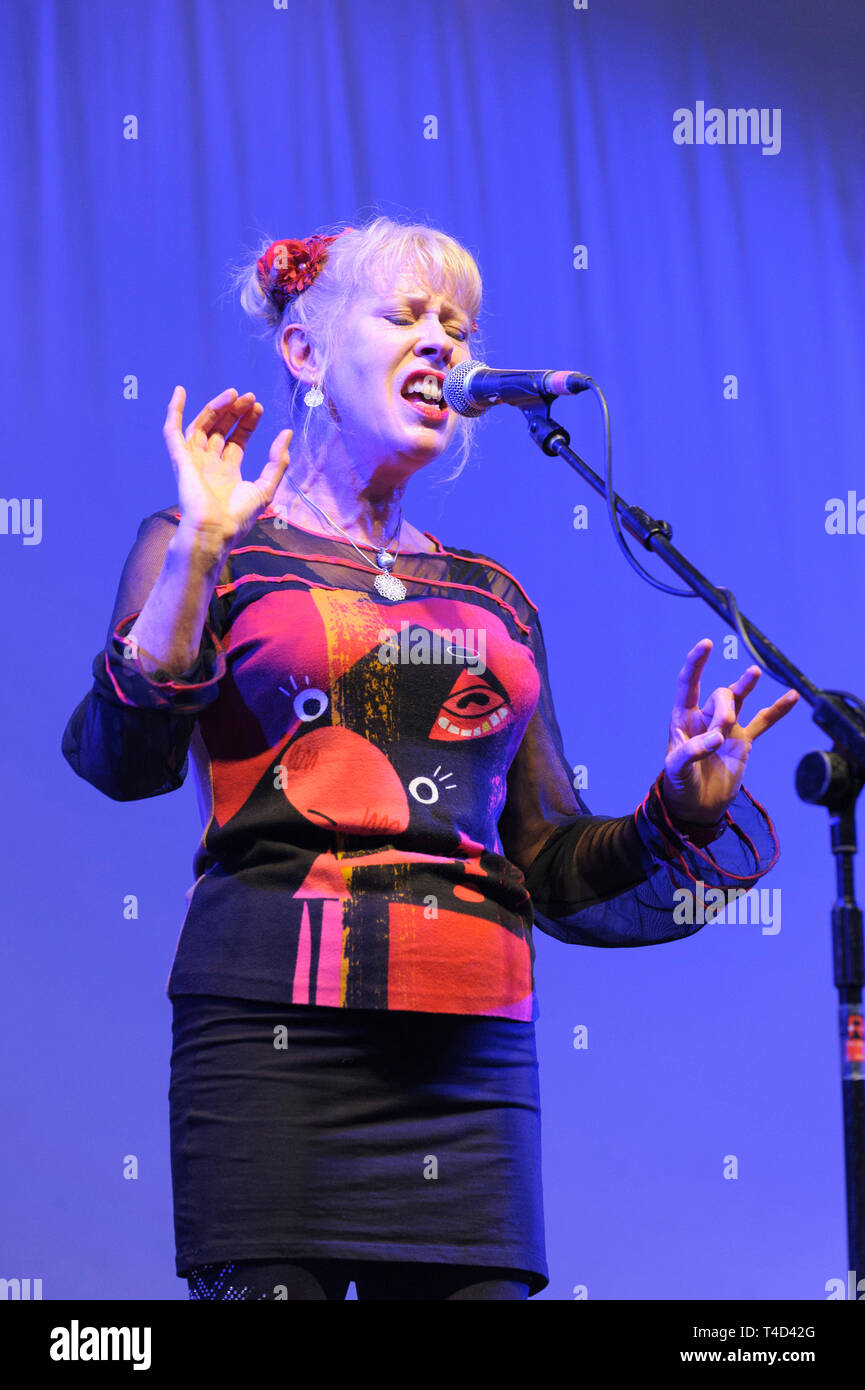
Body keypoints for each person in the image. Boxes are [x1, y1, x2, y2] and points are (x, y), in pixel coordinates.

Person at [61, 216, 799, 1301]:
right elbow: (122, 758)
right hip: (274, 1034)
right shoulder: (210, 547)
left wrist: (676, 811)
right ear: (305, 353)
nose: (442, 343)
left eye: (455, 324)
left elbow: (545, 859)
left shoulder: (489, 598)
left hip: (470, 1051)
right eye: (405, 315)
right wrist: (202, 557)